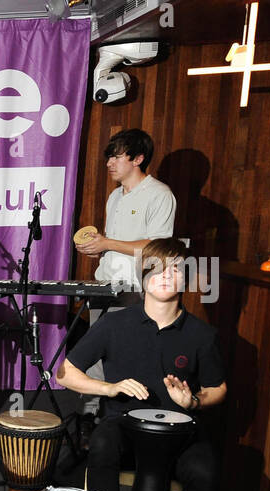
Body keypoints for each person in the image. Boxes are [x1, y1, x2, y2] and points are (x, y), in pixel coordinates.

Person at [56, 238, 226, 491]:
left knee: (206, 472)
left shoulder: (202, 334)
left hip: (180, 434)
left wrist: (194, 401)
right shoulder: (115, 323)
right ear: (143, 275)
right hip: (125, 428)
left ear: (187, 278)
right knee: (102, 445)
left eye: (175, 269)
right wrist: (109, 387)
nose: (165, 276)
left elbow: (218, 388)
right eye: (156, 268)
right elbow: (65, 373)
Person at [73, 128, 177, 444]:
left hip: (135, 289)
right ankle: (90, 419)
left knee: (127, 358)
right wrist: (98, 247)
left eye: (116, 156)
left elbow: (158, 247)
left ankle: (125, 422)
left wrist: (108, 243)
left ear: (138, 158)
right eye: (109, 157)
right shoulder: (115, 196)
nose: (109, 163)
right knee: (95, 355)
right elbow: (117, 243)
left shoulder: (159, 194)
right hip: (105, 285)